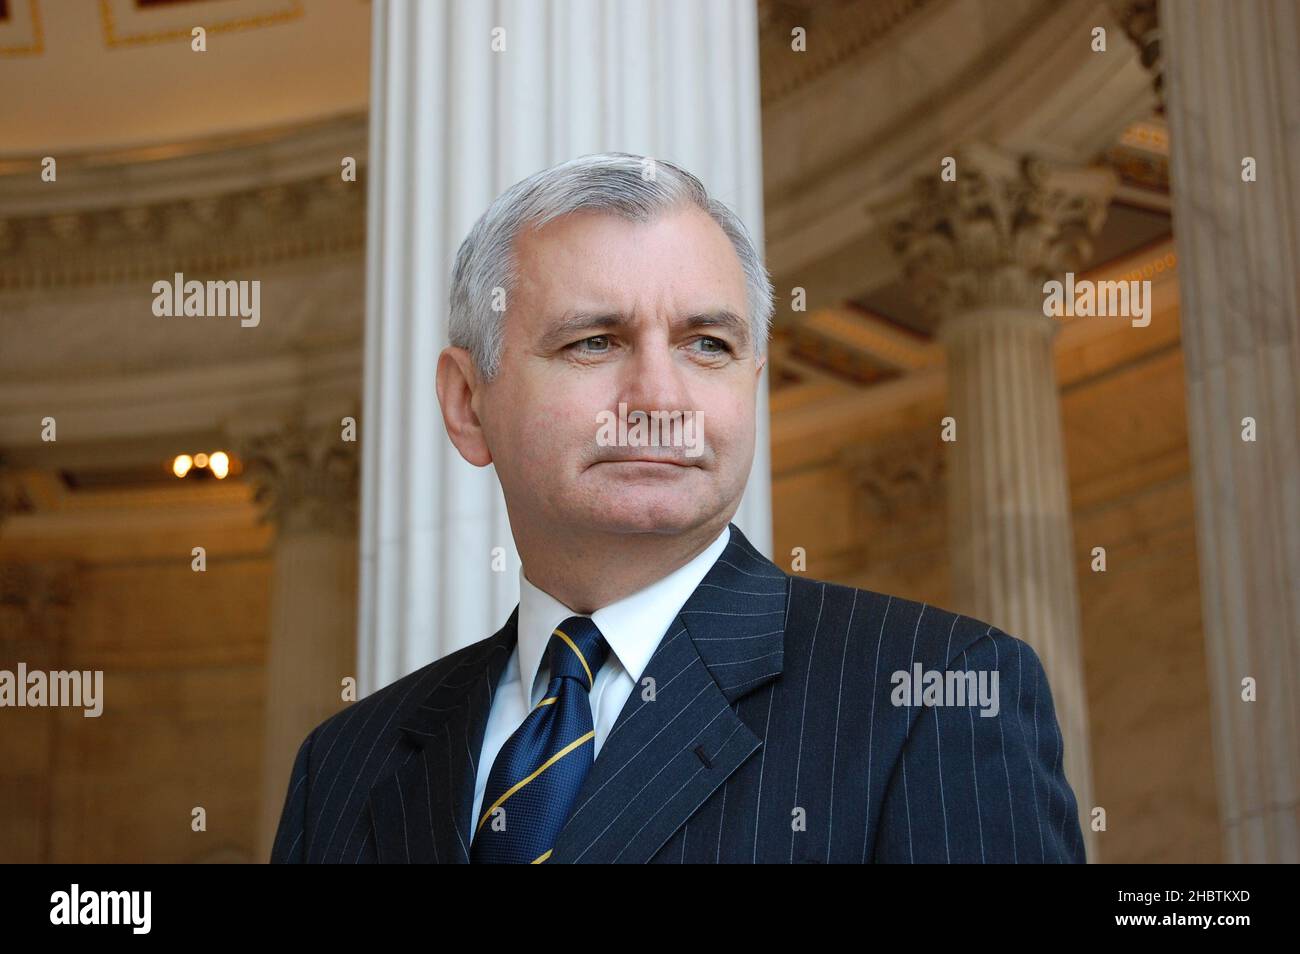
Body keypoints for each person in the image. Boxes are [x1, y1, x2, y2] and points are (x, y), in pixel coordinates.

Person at [270, 152, 1085, 863]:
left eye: (708, 345)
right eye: (594, 341)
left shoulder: (937, 694)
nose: (661, 396)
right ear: (466, 403)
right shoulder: (342, 767)